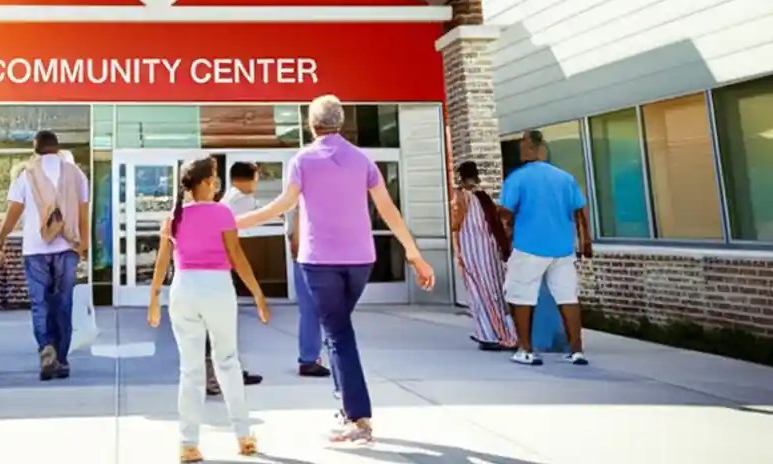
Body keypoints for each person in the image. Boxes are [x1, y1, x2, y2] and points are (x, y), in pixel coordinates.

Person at [238, 94, 436, 445]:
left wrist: (233, 221)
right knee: (336, 332)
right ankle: (347, 410)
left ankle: (359, 419)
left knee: (339, 335)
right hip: (361, 260)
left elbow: (284, 205)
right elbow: (388, 210)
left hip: (319, 262)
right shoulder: (362, 159)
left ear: (311, 125)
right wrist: (414, 254)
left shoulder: (302, 159)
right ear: (339, 122)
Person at [147, 156, 270, 463]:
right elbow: (236, 256)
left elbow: (162, 263)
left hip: (184, 289)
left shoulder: (173, 217)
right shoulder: (221, 213)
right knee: (227, 361)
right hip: (217, 288)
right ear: (204, 183)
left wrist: (153, 301)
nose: (217, 187)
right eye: (214, 180)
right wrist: (257, 294)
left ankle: (188, 444)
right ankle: (244, 438)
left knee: (190, 370)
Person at [0, 130, 90, 380]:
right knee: (63, 303)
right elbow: (82, 214)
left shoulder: (27, 175)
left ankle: (46, 350)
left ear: (35, 150)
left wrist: (0, 241)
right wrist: (84, 246)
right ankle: (62, 359)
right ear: (57, 148)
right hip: (67, 247)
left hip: (35, 249)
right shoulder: (76, 174)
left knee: (40, 303)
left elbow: (13, 213)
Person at [499, 130, 593, 366]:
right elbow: (580, 210)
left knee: (520, 295)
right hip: (562, 247)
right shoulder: (565, 178)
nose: (521, 150)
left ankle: (526, 350)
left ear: (536, 148)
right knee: (567, 296)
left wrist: (506, 226)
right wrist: (586, 240)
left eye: (524, 145)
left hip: (529, 246)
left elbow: (506, 212)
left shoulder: (517, 178)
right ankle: (577, 350)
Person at [450, 161, 516, 351]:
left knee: (479, 291)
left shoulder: (463, 195)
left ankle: (490, 334)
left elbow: (457, 222)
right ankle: (506, 333)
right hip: (490, 249)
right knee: (495, 290)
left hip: (473, 250)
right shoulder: (484, 195)